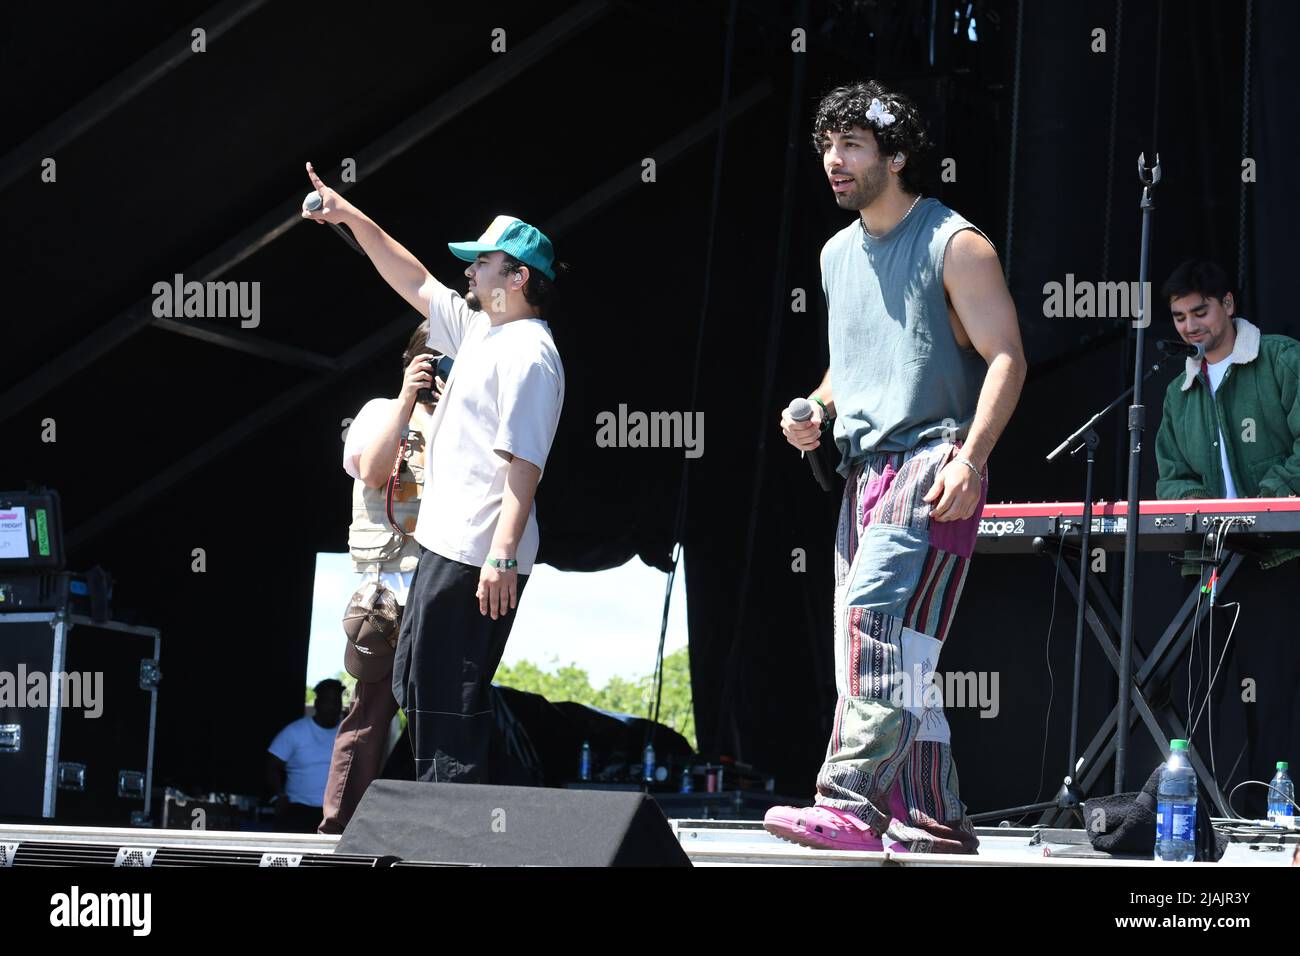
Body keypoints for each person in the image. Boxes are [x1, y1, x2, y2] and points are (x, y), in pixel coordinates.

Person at [766, 81, 1026, 854]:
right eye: (826, 147)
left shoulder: (955, 241)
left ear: (898, 155)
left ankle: (849, 802)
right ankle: (934, 811)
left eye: (851, 146)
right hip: (862, 475)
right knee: (906, 652)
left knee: (868, 626)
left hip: (933, 463)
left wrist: (971, 462)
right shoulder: (835, 254)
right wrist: (813, 410)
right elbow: (849, 374)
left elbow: (1008, 357)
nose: (833, 162)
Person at [301, 165, 565, 785]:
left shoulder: (530, 352)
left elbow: (524, 461)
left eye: (482, 263)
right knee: (413, 680)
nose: (469, 272)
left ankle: (459, 833)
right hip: (445, 545)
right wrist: (348, 215)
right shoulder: (480, 329)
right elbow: (413, 276)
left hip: (479, 552)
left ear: (518, 277)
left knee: (448, 693)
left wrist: (501, 554)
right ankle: (469, 819)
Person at [1153, 258, 1300, 817]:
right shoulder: (1177, 392)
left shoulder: (1282, 358)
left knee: (1277, 693)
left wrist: (1258, 506)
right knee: (1203, 698)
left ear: (1229, 305)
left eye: (1201, 311)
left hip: (1279, 558)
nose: (1191, 327)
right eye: (1179, 317)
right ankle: (1213, 818)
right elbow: (1170, 479)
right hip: (1212, 564)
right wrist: (1212, 516)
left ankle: (1279, 816)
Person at [318, 323, 442, 834]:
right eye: (436, 361)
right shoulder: (380, 411)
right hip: (391, 585)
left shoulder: (472, 420)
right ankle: (338, 829)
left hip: (443, 581)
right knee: (371, 710)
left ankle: (433, 828)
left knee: (442, 715)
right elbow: (371, 471)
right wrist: (408, 401)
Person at [268, 678, 343, 832]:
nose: (332, 707)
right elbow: (271, 766)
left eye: (336, 702)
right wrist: (279, 796)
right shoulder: (294, 732)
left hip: (336, 812)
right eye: (327, 701)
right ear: (316, 703)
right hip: (298, 811)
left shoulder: (347, 733)